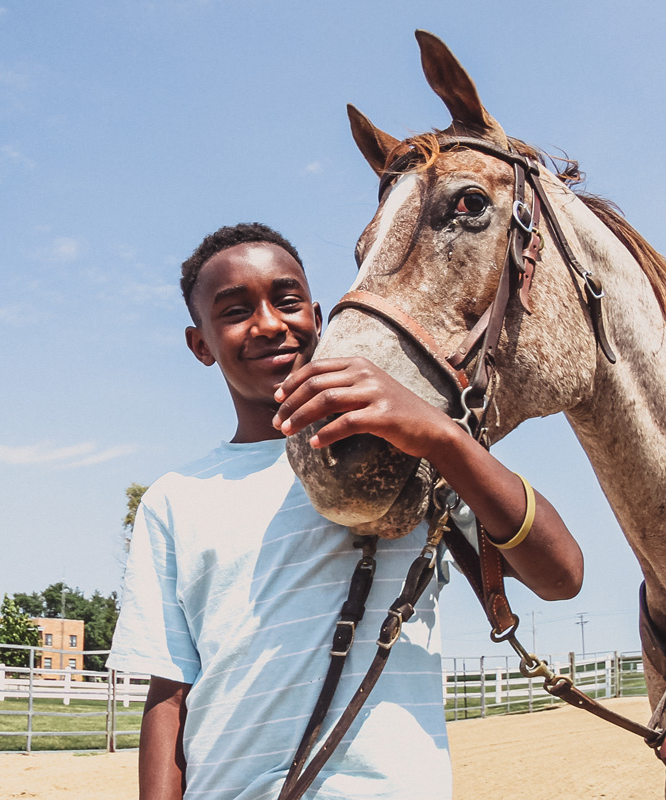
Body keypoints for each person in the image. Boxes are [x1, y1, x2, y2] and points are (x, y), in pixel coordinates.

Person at [107, 222, 583, 800]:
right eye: (235, 311)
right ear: (200, 343)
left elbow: (561, 576)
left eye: (286, 302)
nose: (269, 324)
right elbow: (170, 693)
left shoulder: (403, 454)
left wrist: (443, 437)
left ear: (317, 316)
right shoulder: (175, 497)